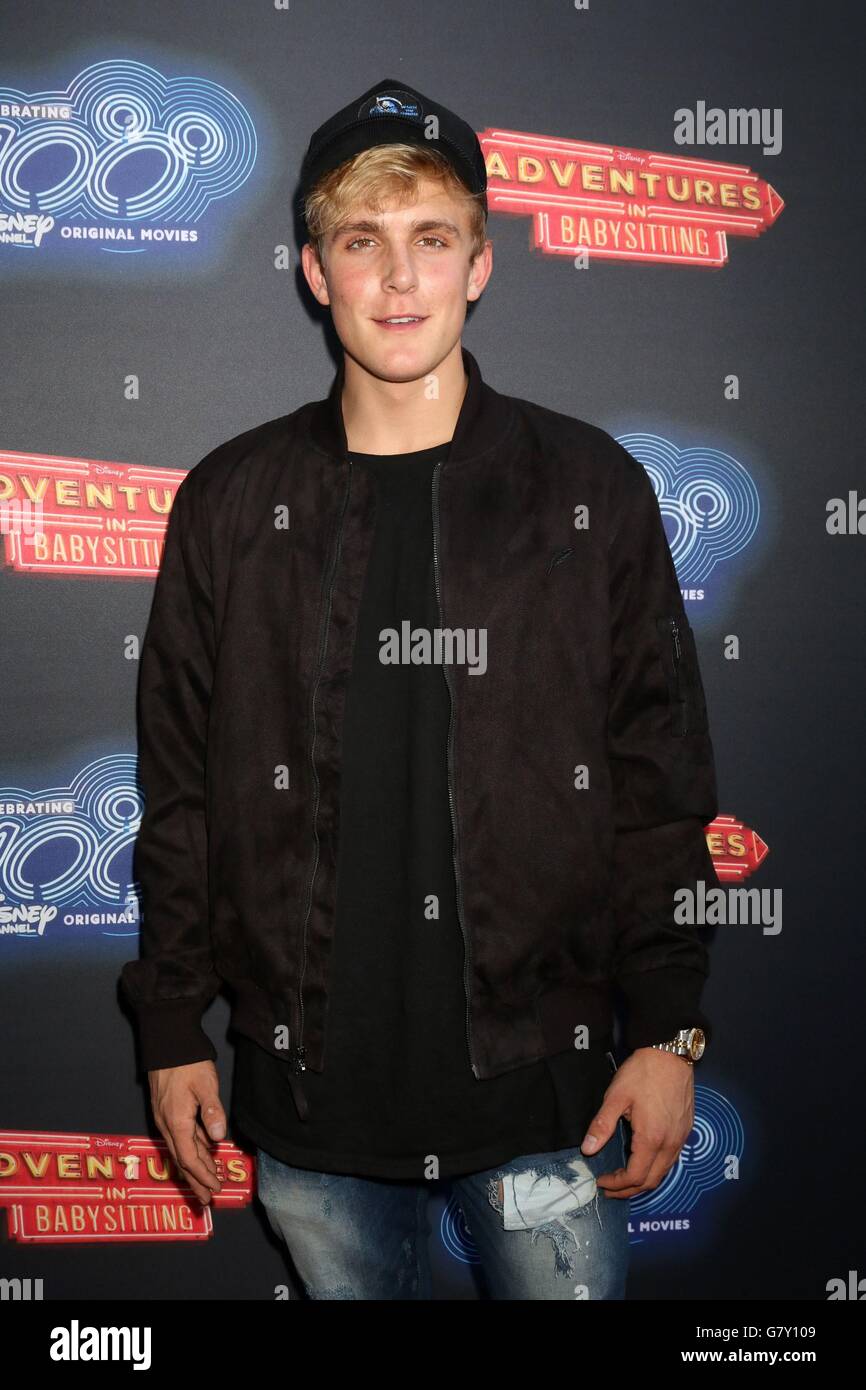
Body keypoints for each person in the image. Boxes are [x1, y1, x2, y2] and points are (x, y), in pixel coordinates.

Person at [120, 78, 719, 1300]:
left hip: (545, 1104)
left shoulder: (588, 489)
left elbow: (659, 777)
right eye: (362, 242)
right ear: (312, 269)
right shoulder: (232, 504)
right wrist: (174, 1024)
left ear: (479, 265)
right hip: (310, 1105)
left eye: (430, 240)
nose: (398, 280)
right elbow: (180, 790)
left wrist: (663, 1029)